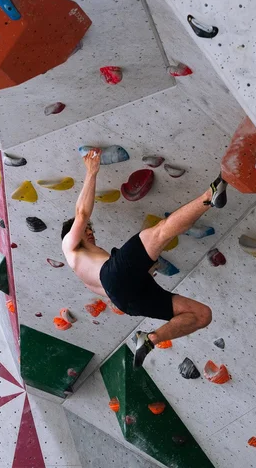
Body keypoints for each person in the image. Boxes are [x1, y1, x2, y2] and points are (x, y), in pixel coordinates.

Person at [61, 148, 227, 367]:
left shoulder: (86, 268)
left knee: (202, 315)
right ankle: (210, 194)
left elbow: (115, 292)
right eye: (85, 230)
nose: (89, 231)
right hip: (116, 280)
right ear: (73, 233)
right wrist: (92, 172)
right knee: (161, 231)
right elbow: (81, 214)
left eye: (91, 229)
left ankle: (150, 340)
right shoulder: (69, 247)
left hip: (127, 300)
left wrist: (144, 270)